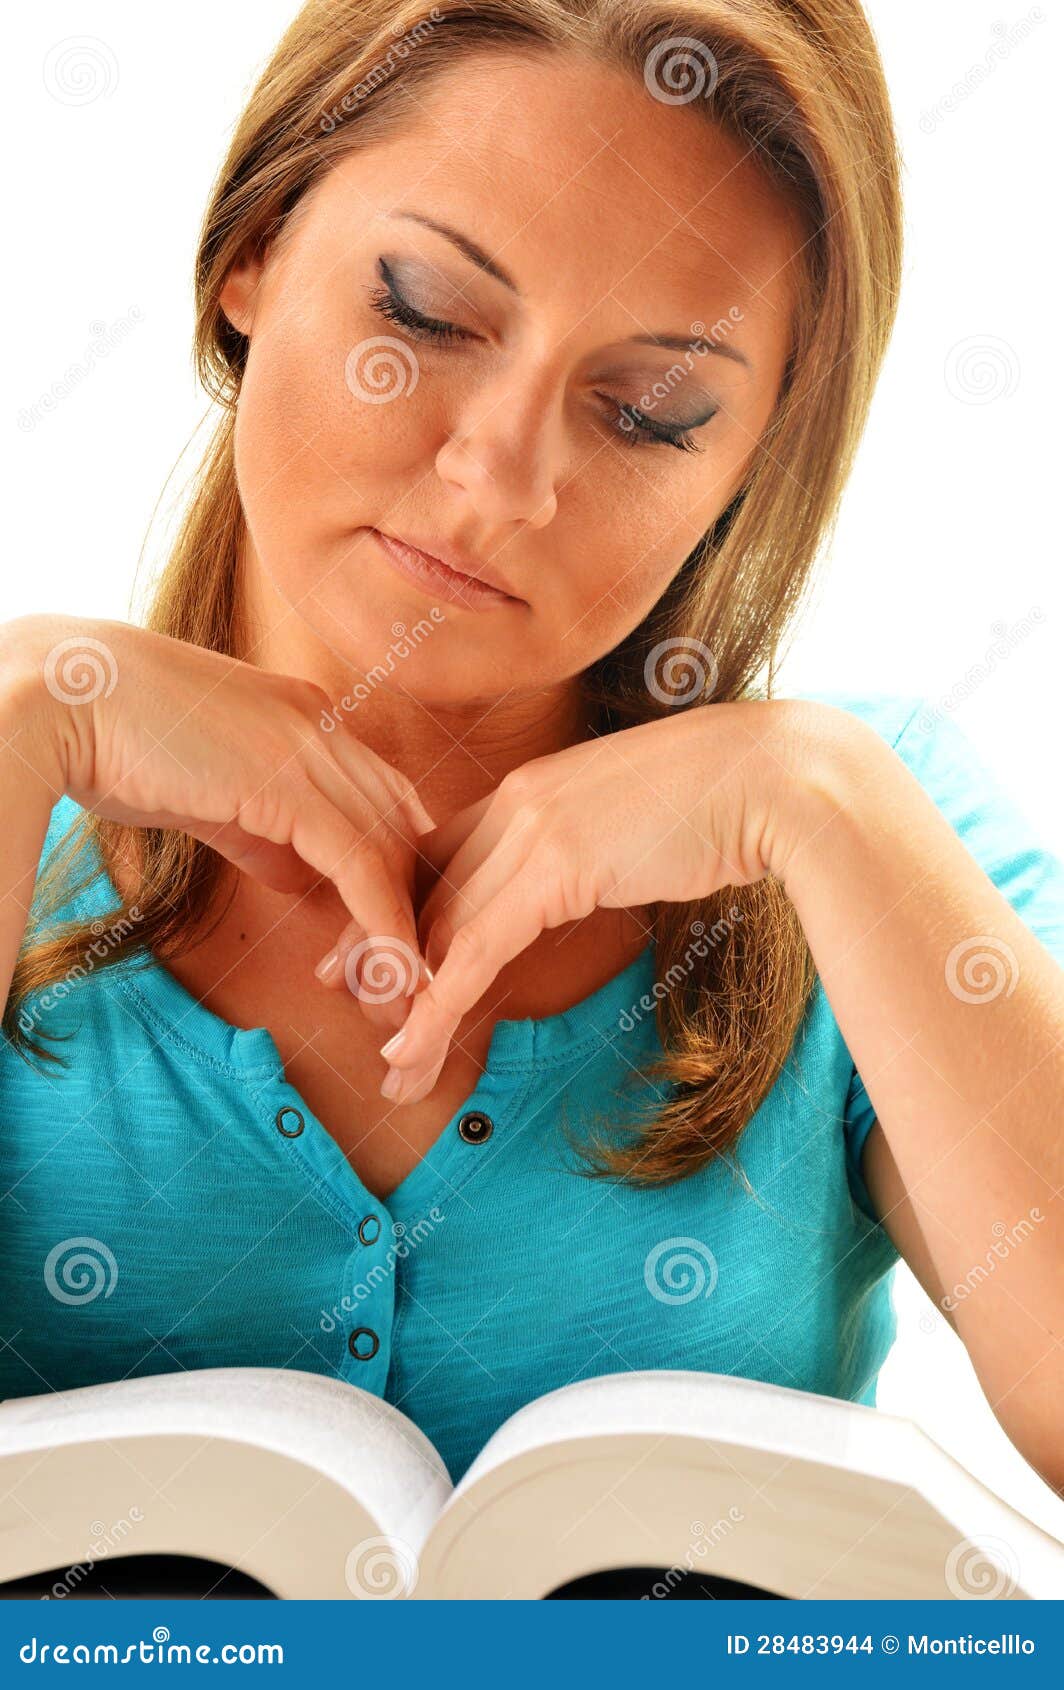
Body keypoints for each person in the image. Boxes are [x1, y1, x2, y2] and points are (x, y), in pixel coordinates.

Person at [2, 0, 1062, 1516]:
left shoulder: (877, 832)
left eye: (648, 412)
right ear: (252, 248)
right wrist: (27, 703)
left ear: (753, 462)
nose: (500, 475)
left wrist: (814, 803)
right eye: (426, 312)